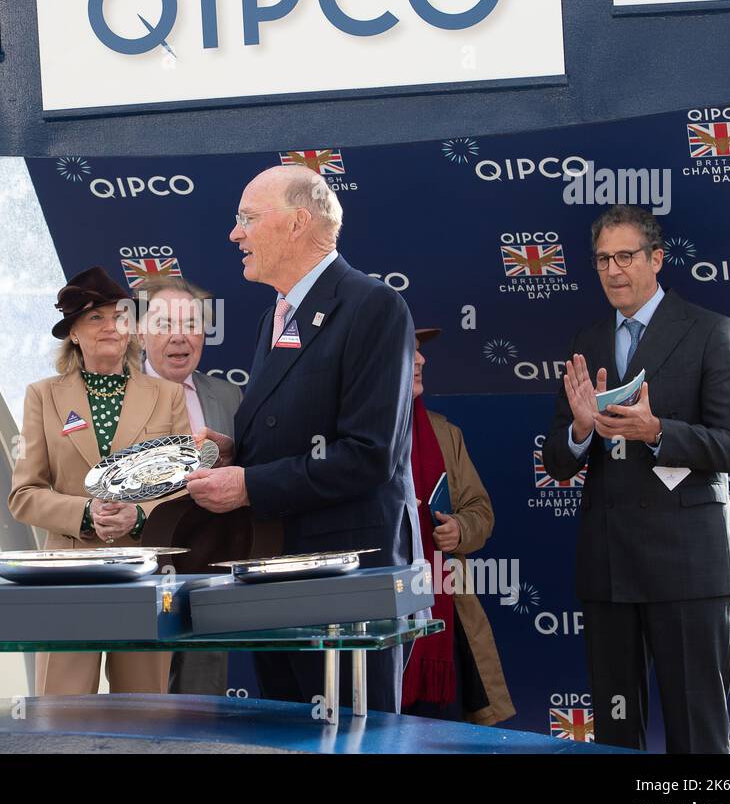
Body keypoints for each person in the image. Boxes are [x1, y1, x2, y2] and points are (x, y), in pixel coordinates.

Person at [185, 164, 421, 713]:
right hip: (275, 570)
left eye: (246, 219)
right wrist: (234, 453)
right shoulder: (275, 316)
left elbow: (368, 455)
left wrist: (248, 485)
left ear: (296, 223)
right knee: (286, 735)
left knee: (352, 739)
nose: (234, 234)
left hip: (345, 580)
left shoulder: (373, 307)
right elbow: (292, 432)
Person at [541, 205, 730, 753]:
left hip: (689, 566)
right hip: (611, 567)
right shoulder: (586, 341)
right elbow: (558, 461)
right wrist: (581, 430)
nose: (614, 270)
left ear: (657, 259)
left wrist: (658, 431)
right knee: (614, 733)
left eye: (626, 256)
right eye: (603, 259)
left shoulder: (709, 331)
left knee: (697, 733)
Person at [9, 266, 190, 696]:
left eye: (120, 317)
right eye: (95, 318)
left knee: (146, 716)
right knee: (62, 716)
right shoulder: (42, 395)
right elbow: (23, 494)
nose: (110, 326)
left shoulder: (167, 396)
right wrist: (86, 514)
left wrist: (139, 516)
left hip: (144, 573)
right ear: (73, 332)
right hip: (67, 578)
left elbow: (183, 490)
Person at [403, 328, 514, 725]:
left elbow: (479, 511)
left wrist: (460, 529)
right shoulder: (355, 435)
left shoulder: (444, 433)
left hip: (443, 611)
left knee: (441, 732)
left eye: (420, 352)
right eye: (408, 352)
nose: (421, 360)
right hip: (378, 613)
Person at [138, 273, 242, 697]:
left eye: (191, 325)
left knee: (203, 697)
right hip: (142, 564)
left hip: (210, 566)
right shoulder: (114, 393)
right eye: (164, 325)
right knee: (142, 699)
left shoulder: (230, 396)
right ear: (140, 333)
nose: (179, 338)